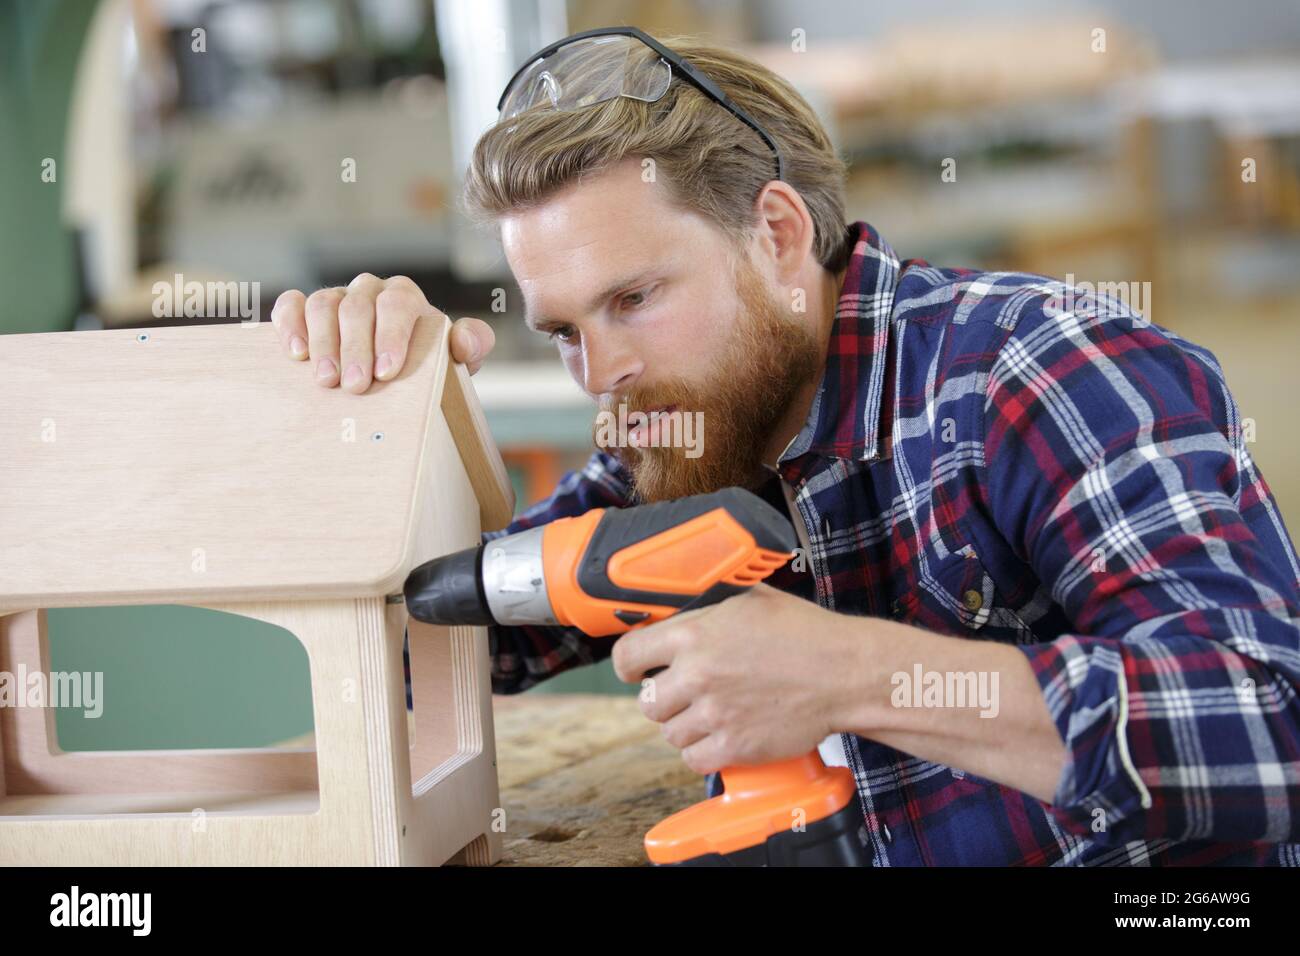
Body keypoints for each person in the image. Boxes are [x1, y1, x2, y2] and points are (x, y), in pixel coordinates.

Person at [267, 28, 1300, 865]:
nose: (600, 371)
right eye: (565, 329)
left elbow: (1268, 721)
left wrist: (855, 674)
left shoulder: (1034, 368)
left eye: (633, 297)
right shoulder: (682, 428)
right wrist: (378, 415)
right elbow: (432, 649)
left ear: (776, 232)